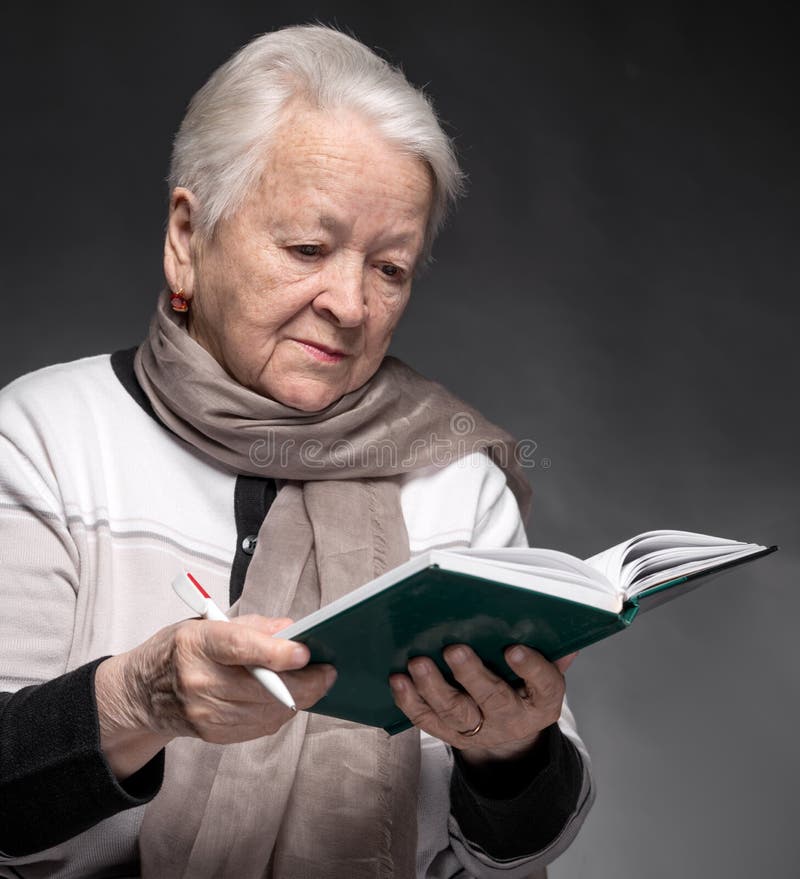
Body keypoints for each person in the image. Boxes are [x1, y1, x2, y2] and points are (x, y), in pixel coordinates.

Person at [0, 24, 594, 879]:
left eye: (389, 269)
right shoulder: (47, 436)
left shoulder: (457, 481)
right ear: (185, 236)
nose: (350, 304)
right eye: (308, 249)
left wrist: (512, 754)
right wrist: (141, 698)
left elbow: (523, 850)